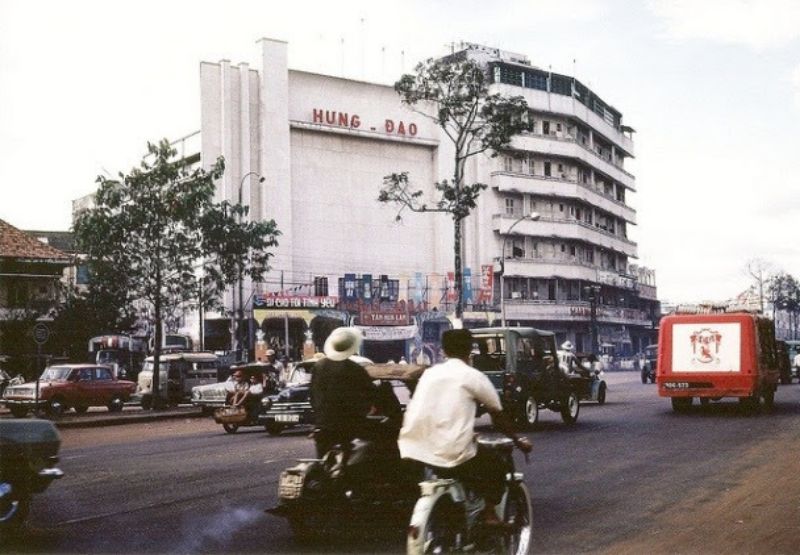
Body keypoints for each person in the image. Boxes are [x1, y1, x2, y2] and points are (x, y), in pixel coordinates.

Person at [398, 328, 532, 527]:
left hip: (413, 448)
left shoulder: (429, 374)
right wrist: (518, 440)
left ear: (443, 350)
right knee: (496, 465)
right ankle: (489, 514)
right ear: (470, 349)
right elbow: (498, 417)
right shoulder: (473, 376)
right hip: (452, 451)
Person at [310, 327, 376, 457]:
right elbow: (370, 393)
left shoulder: (318, 366)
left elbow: (312, 395)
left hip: (322, 424)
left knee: (323, 461)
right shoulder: (355, 369)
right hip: (349, 425)